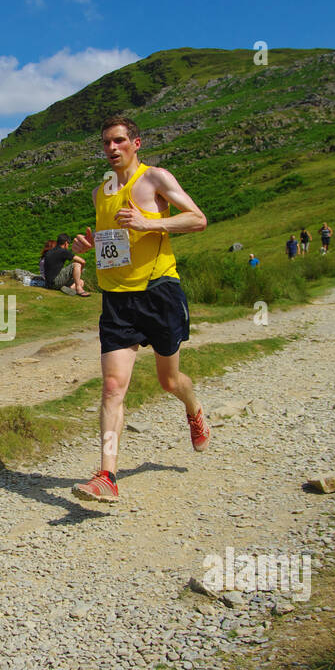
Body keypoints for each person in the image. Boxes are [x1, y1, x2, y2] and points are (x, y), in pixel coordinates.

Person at [70, 115, 209, 503]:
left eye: (118, 141)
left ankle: (194, 409)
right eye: (105, 143)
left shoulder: (155, 179)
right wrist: (89, 245)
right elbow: (110, 242)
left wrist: (150, 222)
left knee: (169, 381)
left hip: (159, 290)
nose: (111, 149)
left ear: (136, 143)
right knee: (113, 387)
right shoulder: (101, 193)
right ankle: (107, 475)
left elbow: (198, 219)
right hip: (117, 298)